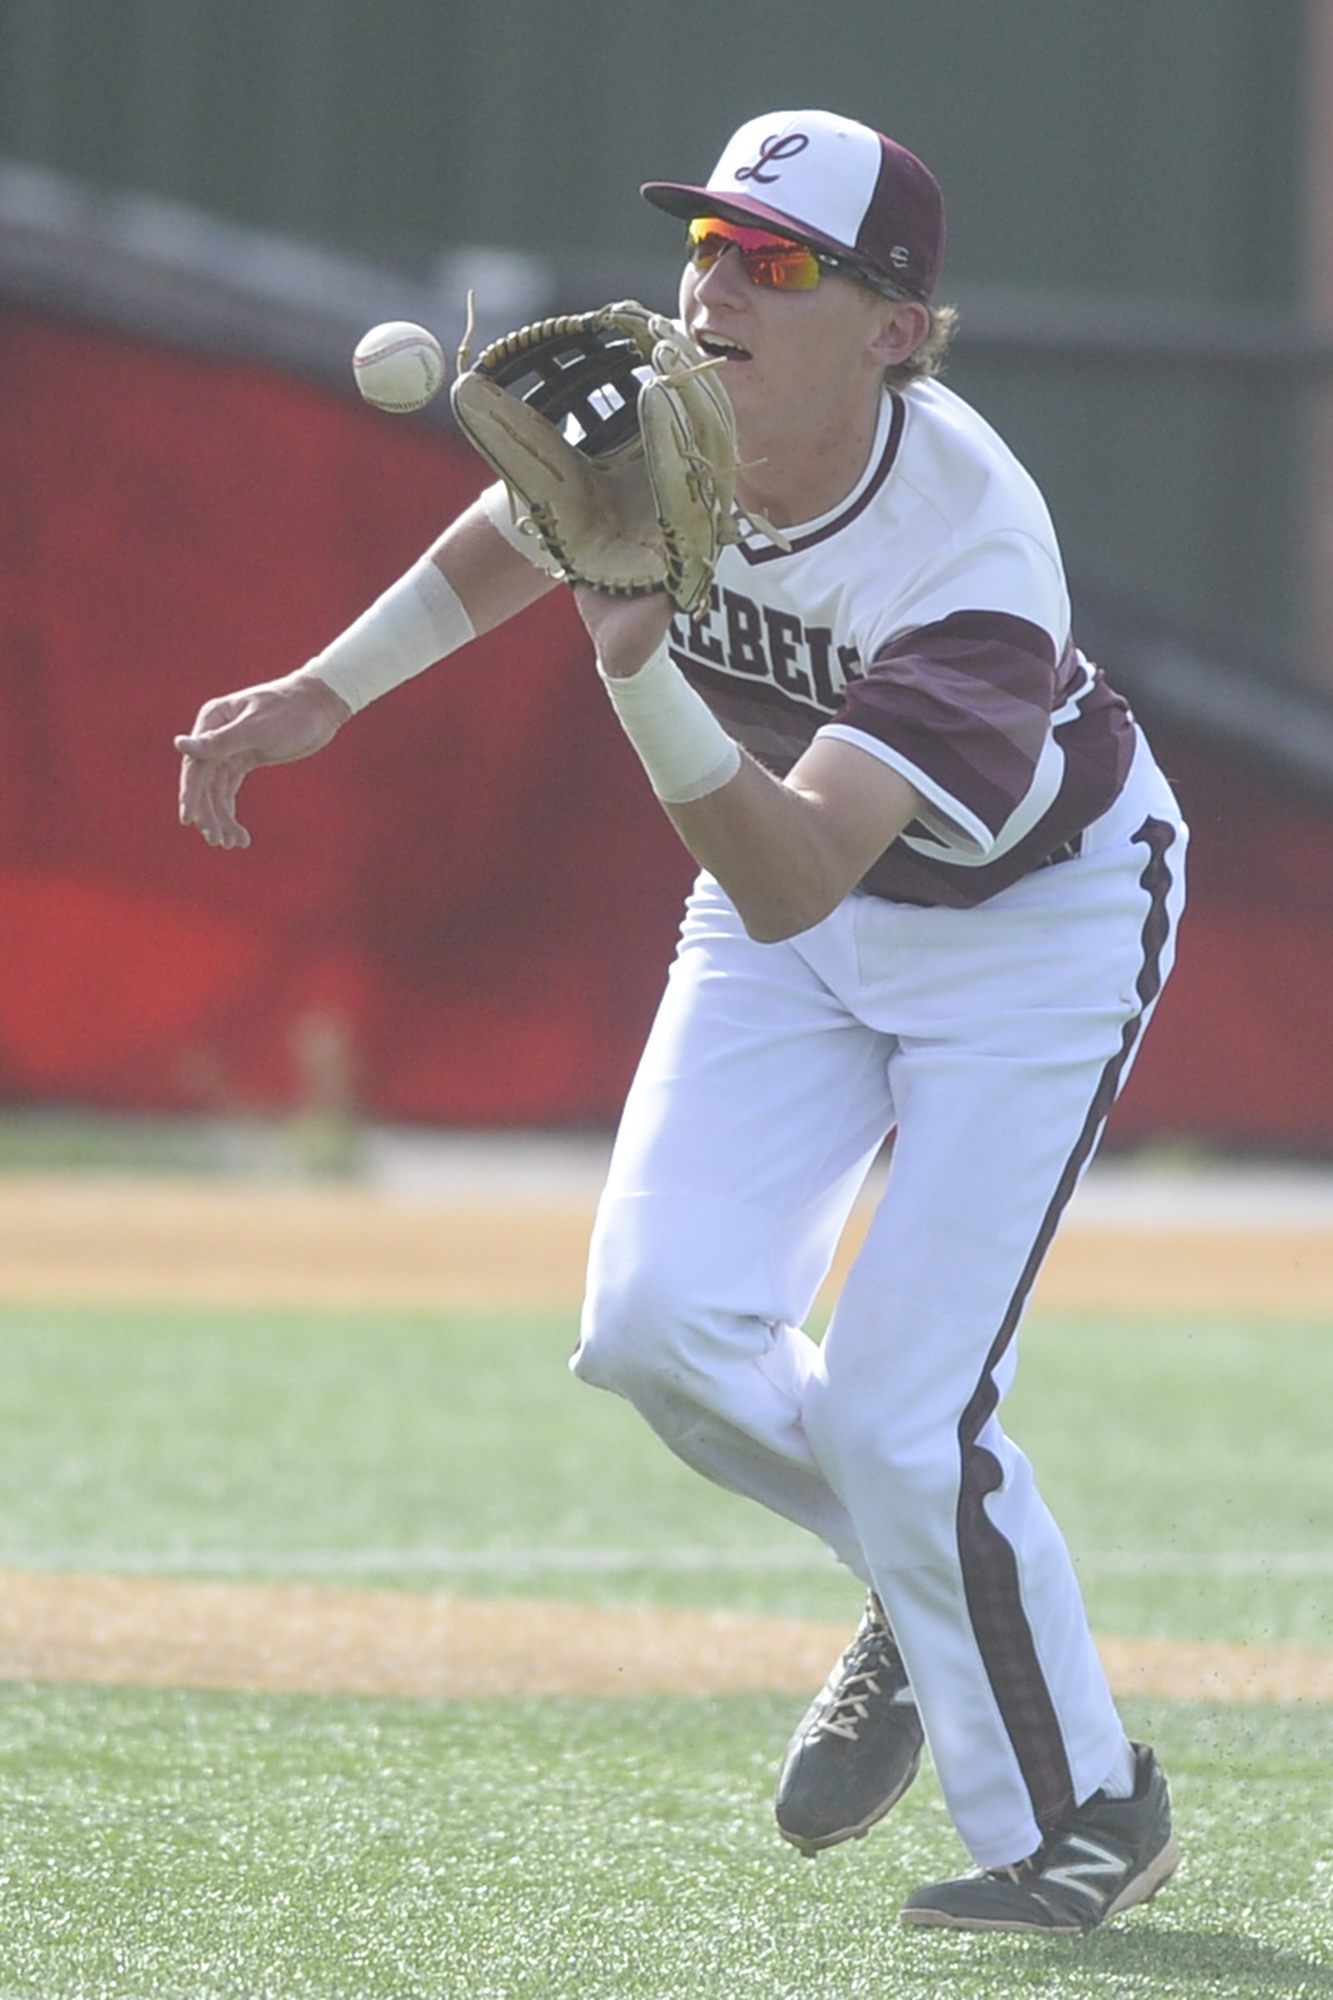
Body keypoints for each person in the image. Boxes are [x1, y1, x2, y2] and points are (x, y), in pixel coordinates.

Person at [176, 109, 1186, 1933]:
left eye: (776, 262)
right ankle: (918, 1563)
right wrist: (328, 694)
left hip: (1030, 930)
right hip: (786, 904)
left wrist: (635, 654)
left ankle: (1085, 1814)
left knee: (898, 1411)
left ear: (898, 327)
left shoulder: (969, 553)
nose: (715, 283)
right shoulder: (672, 408)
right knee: (652, 1328)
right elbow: (521, 526)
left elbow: (801, 862)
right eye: (708, 244)